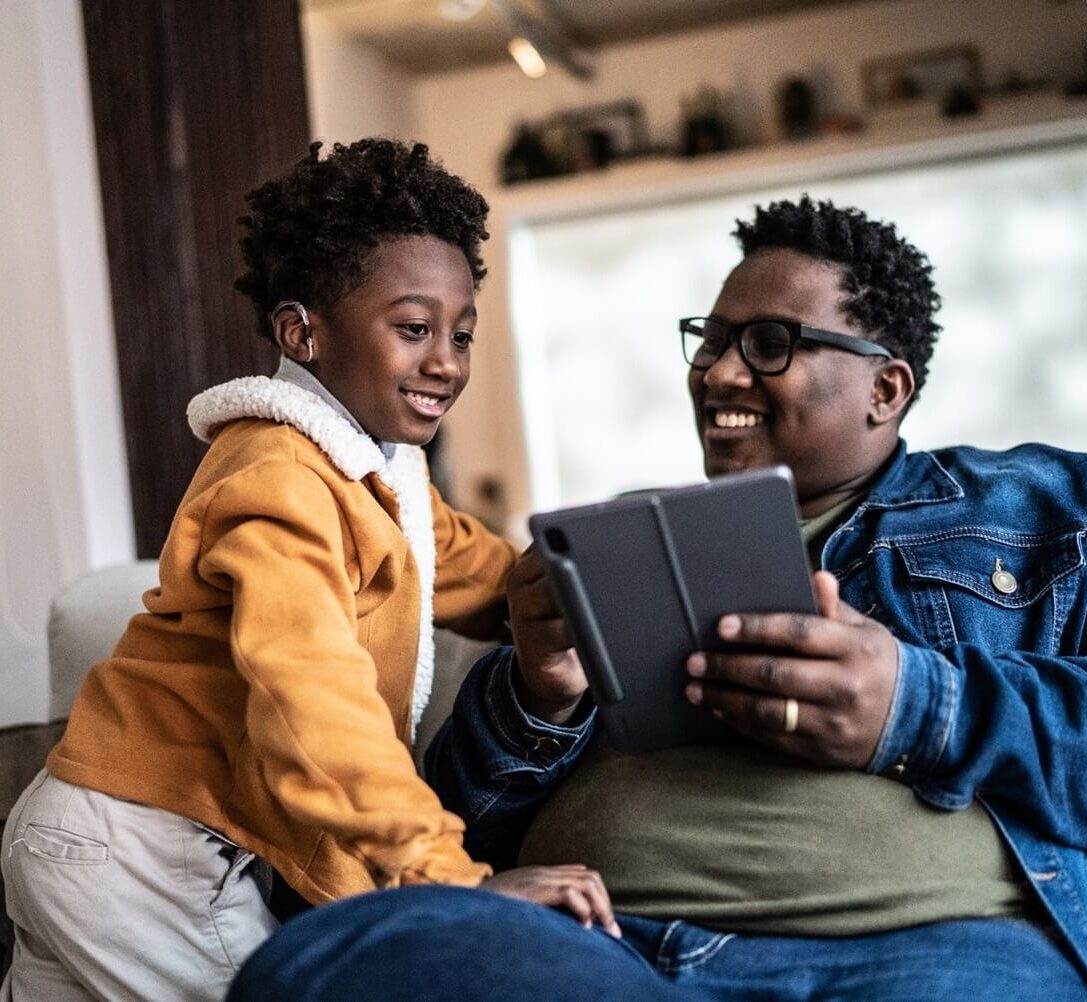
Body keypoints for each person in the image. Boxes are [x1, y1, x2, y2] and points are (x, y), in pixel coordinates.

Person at [227, 196, 1087, 1001]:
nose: (718, 373)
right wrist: (538, 691)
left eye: (769, 344)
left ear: (886, 389)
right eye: (712, 339)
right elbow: (465, 820)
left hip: (929, 954)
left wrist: (913, 703)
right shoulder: (623, 535)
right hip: (606, 950)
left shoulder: (1051, 508)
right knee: (327, 965)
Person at [0, 138, 623, 1002]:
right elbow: (311, 696)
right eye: (413, 329)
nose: (446, 359)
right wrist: (451, 883)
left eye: (461, 333)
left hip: (99, 837)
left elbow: (489, 575)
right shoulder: (280, 480)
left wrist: (607, 587)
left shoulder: (383, 479)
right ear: (304, 331)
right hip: (140, 851)